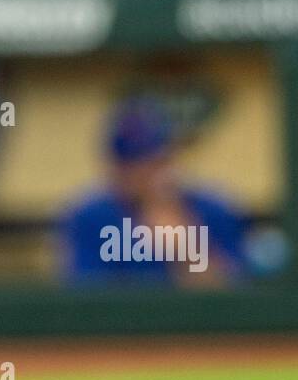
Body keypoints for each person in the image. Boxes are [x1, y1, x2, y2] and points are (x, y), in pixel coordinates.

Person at [60, 97, 251, 286]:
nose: (147, 174)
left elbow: (232, 298)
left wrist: (185, 249)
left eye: (157, 162)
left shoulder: (211, 210)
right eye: (133, 164)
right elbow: (90, 302)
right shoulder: (92, 217)